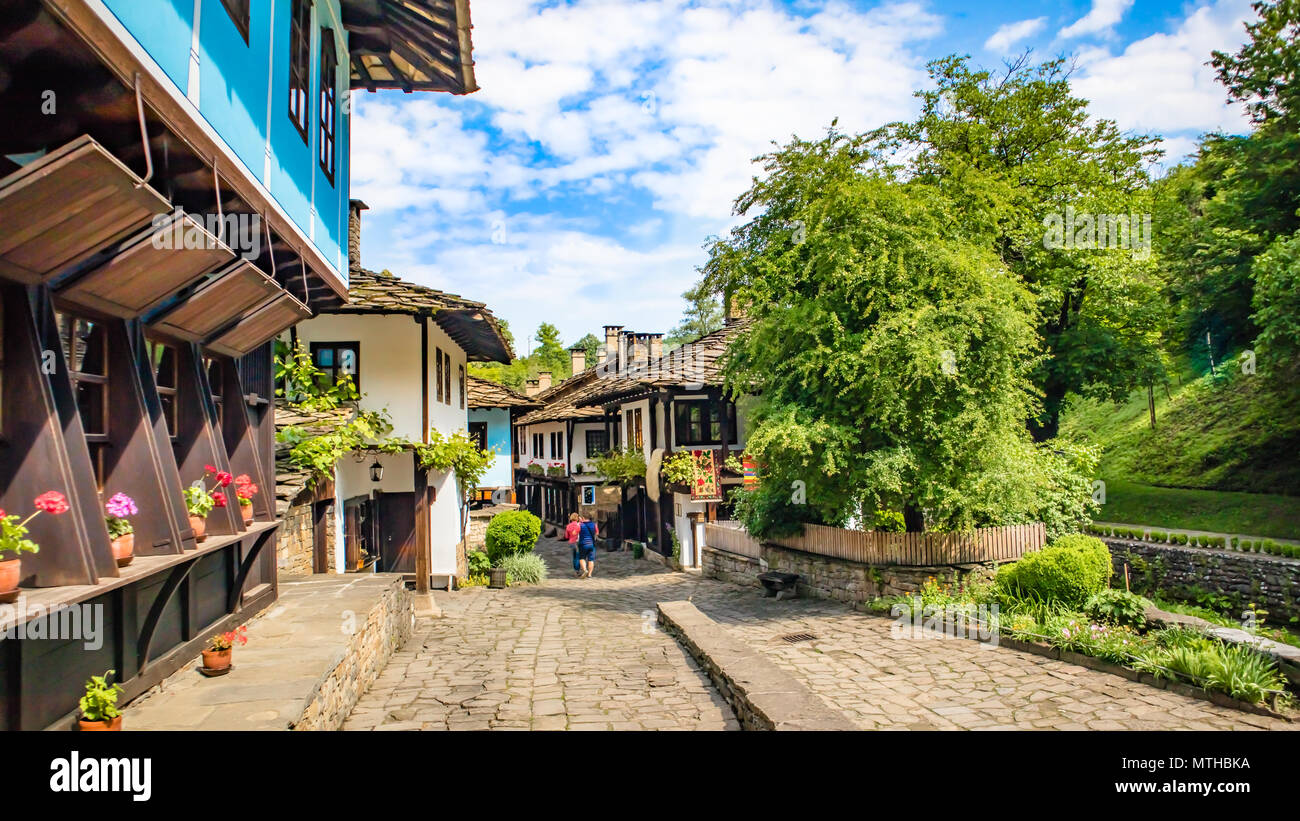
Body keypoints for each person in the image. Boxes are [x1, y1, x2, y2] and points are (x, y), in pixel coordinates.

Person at [565, 513, 582, 577]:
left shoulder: (568, 526)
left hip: (571, 543)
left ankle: (575, 570)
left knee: (574, 557)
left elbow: (566, 536)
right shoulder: (579, 525)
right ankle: (577, 571)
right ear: (577, 518)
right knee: (578, 557)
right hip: (578, 542)